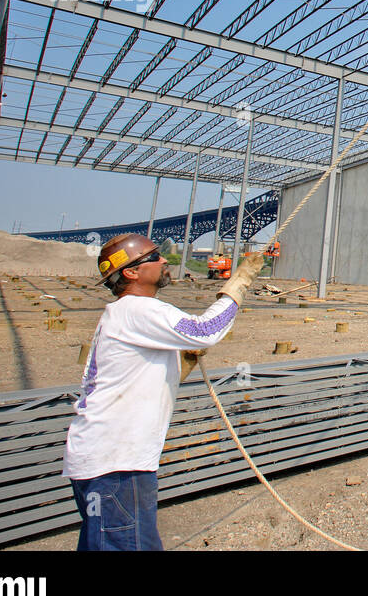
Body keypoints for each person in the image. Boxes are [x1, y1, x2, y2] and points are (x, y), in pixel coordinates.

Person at [63, 233, 264, 550]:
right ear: (131, 272)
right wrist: (237, 286)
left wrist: (177, 366)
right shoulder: (137, 310)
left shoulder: (122, 315)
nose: (163, 261)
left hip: (104, 461)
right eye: (153, 257)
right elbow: (204, 331)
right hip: (116, 466)